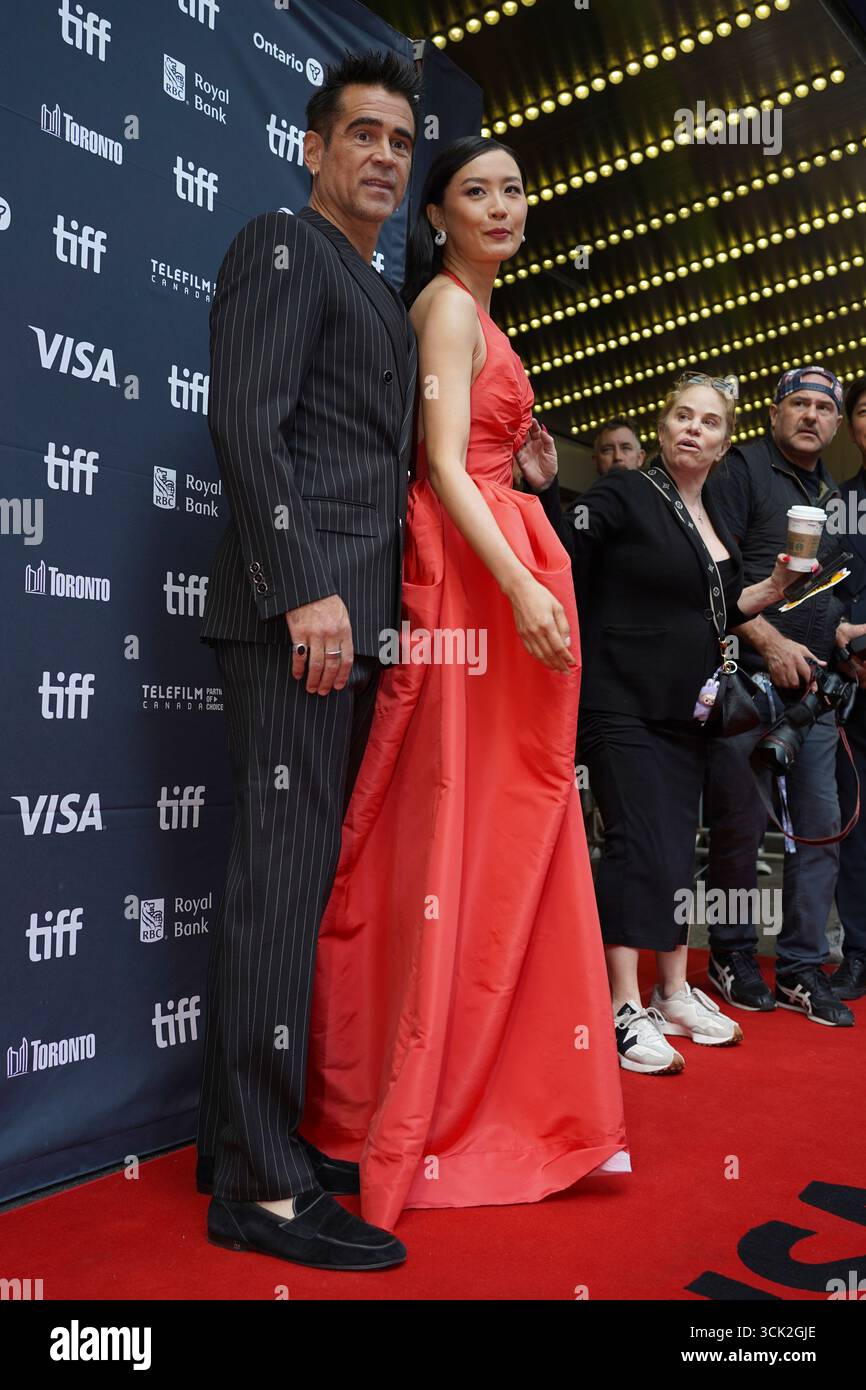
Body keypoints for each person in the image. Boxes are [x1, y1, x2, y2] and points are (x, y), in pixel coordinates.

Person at [300, 136, 629, 1232]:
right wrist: (524, 588)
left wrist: (524, 473)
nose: (501, 205)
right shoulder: (445, 304)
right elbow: (440, 464)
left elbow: (474, 454)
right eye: (475, 191)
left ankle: (484, 1080)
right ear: (436, 216)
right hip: (467, 590)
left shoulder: (477, 316)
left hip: (496, 573)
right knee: (455, 826)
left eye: (514, 190)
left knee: (502, 828)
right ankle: (423, 1096)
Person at [195, 50, 422, 1271]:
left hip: (342, 620)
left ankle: (241, 1144)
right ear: (312, 147)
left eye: (400, 139)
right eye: (362, 135)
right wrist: (308, 594)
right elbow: (243, 418)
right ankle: (263, 1193)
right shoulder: (283, 242)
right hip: (302, 618)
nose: (384, 154)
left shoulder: (374, 286)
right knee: (278, 888)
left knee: (287, 888)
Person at [541, 373, 804, 1074]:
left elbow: (715, 606)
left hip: (687, 712)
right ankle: (622, 1005)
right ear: (662, 428)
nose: (693, 428)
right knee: (633, 843)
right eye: (682, 416)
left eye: (709, 422)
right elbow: (566, 552)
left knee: (671, 851)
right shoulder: (626, 490)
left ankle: (671, 988)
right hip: (619, 700)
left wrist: (773, 591)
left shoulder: (712, 512)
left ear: (724, 443)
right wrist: (541, 489)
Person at [703, 367, 866, 1026]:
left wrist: (847, 634)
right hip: (747, 678)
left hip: (818, 694)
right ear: (773, 415)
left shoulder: (835, 495)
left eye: (823, 408)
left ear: (836, 425)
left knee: (822, 829)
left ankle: (801, 965)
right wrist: (769, 643)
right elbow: (714, 572)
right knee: (740, 828)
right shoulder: (740, 470)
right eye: (797, 404)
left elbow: (834, 587)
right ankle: (731, 952)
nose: (811, 416)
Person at [832, 372, 866, 1000]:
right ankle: (858, 952)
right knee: (855, 830)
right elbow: (822, 590)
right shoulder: (836, 504)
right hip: (855, 689)